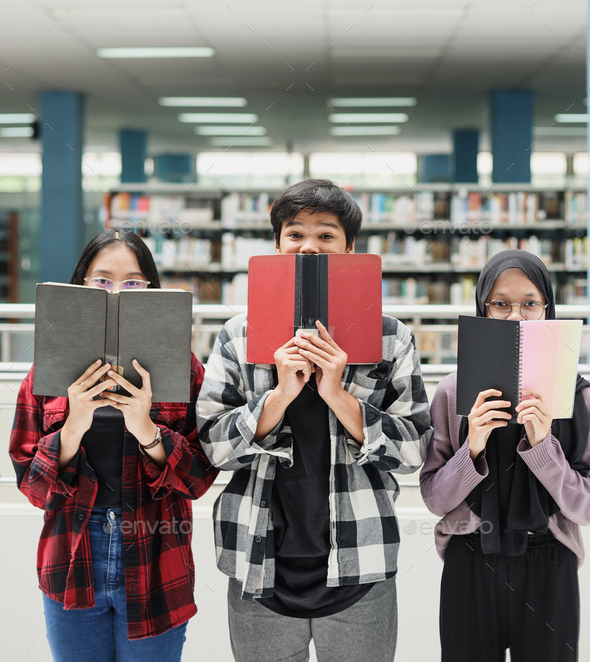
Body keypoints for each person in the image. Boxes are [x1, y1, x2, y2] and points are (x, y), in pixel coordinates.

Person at [196, 179, 432, 662]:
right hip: (258, 564)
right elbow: (213, 447)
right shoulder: (239, 335)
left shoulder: (390, 338)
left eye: (326, 234)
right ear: (277, 245)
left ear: (349, 247)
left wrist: (337, 394)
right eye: (295, 234)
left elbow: (413, 452)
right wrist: (279, 396)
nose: (309, 246)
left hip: (359, 563)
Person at [9, 229, 217, 662]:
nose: (116, 292)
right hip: (71, 556)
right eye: (102, 280)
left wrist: (147, 430)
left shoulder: (183, 369)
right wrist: (73, 427)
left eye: (133, 282)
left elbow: (198, 479)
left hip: (157, 555)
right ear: (80, 286)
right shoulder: (46, 372)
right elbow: (33, 487)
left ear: (152, 291)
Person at [420, 249, 590, 662]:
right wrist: (472, 446)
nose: (516, 317)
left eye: (530, 304)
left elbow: (585, 508)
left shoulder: (578, 395)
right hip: (470, 556)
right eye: (501, 304)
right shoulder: (452, 391)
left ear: (548, 309)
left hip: (550, 557)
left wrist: (543, 447)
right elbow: (435, 500)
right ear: (483, 309)